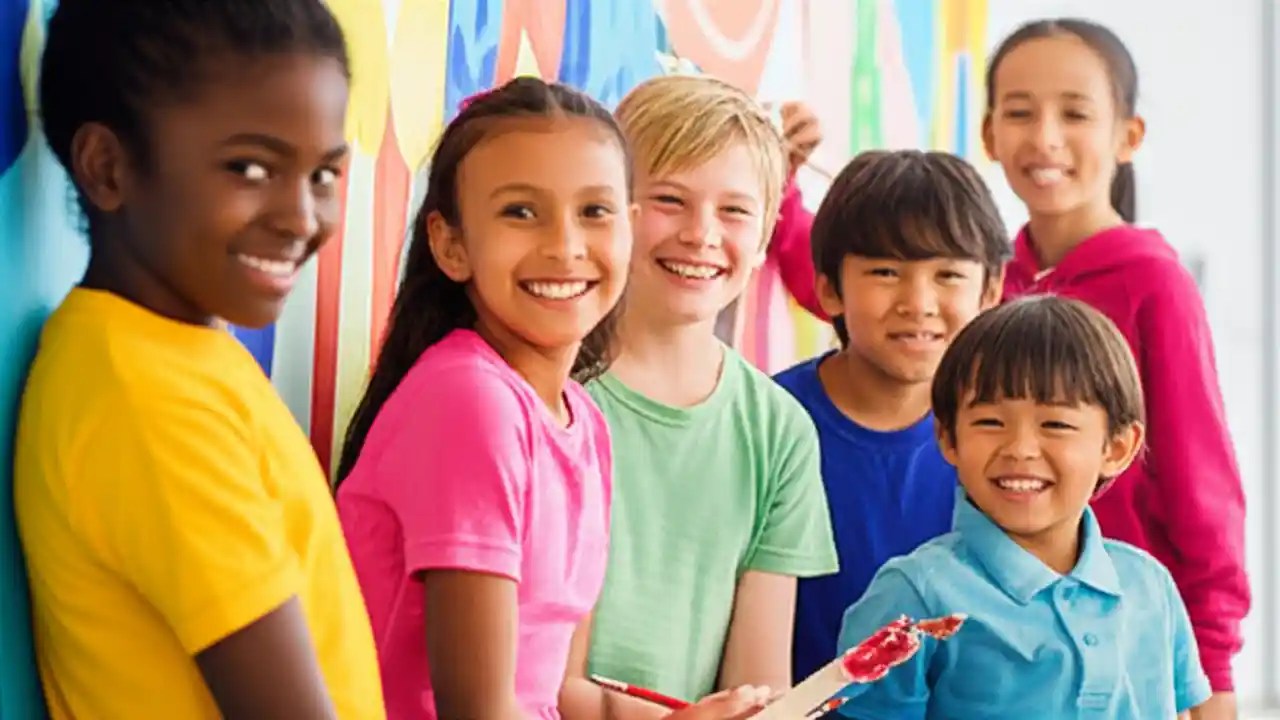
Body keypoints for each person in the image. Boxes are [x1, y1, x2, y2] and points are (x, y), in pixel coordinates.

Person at [334, 77, 770, 720]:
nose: (564, 246)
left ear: (627, 229)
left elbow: (561, 691)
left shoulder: (582, 421)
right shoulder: (469, 401)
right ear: (451, 244)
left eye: (593, 211)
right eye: (520, 212)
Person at [13, 2, 383, 718]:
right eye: (250, 168)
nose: (301, 218)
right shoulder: (146, 399)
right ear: (108, 167)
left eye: (324, 176)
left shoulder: (174, 353)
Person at [983, 19, 1248, 715]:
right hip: (1008, 648)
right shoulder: (989, 282)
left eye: (1074, 113)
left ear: (1128, 137)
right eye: (1019, 112)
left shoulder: (1153, 284)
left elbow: (1203, 489)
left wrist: (1214, 677)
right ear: (988, 135)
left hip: (1129, 651)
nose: (1043, 137)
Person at [585, 75, 839, 715]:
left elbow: (760, 686)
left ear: (763, 239)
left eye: (734, 211)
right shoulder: (549, 392)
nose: (701, 234)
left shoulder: (779, 429)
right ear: (610, 207)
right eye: (670, 199)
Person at [836, 295, 1211, 720]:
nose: (1019, 449)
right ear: (948, 438)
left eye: (1056, 424)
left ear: (1117, 448)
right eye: (990, 422)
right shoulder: (913, 595)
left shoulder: (1150, 585)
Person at [773, 150, 1009, 685]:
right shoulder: (772, 423)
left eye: (947, 274)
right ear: (829, 286)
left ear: (990, 289)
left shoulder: (1006, 443)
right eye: (885, 271)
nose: (918, 302)